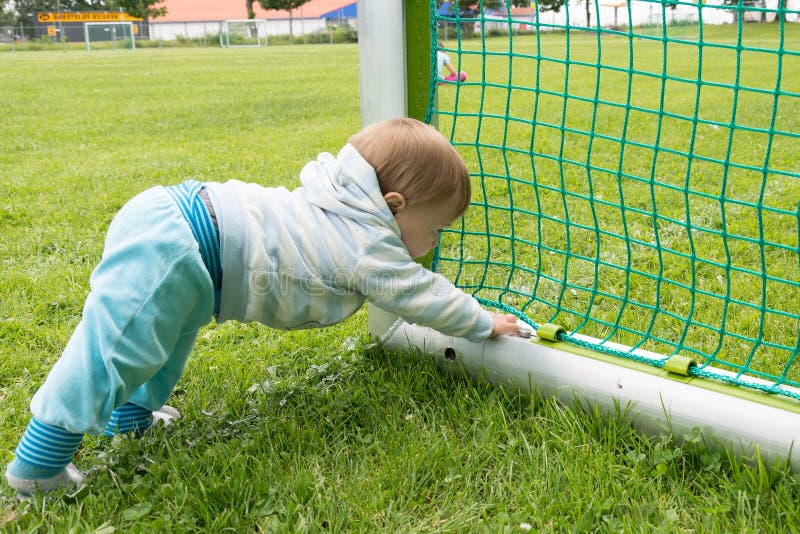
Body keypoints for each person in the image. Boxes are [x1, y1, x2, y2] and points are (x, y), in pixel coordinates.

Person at [4, 117, 520, 497]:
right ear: (393, 207)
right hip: (182, 242)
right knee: (115, 349)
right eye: (433, 231)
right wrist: (482, 322)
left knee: (167, 336)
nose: (430, 245)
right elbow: (421, 294)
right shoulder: (368, 243)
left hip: (194, 245)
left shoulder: (339, 204)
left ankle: (131, 416)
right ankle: (38, 465)